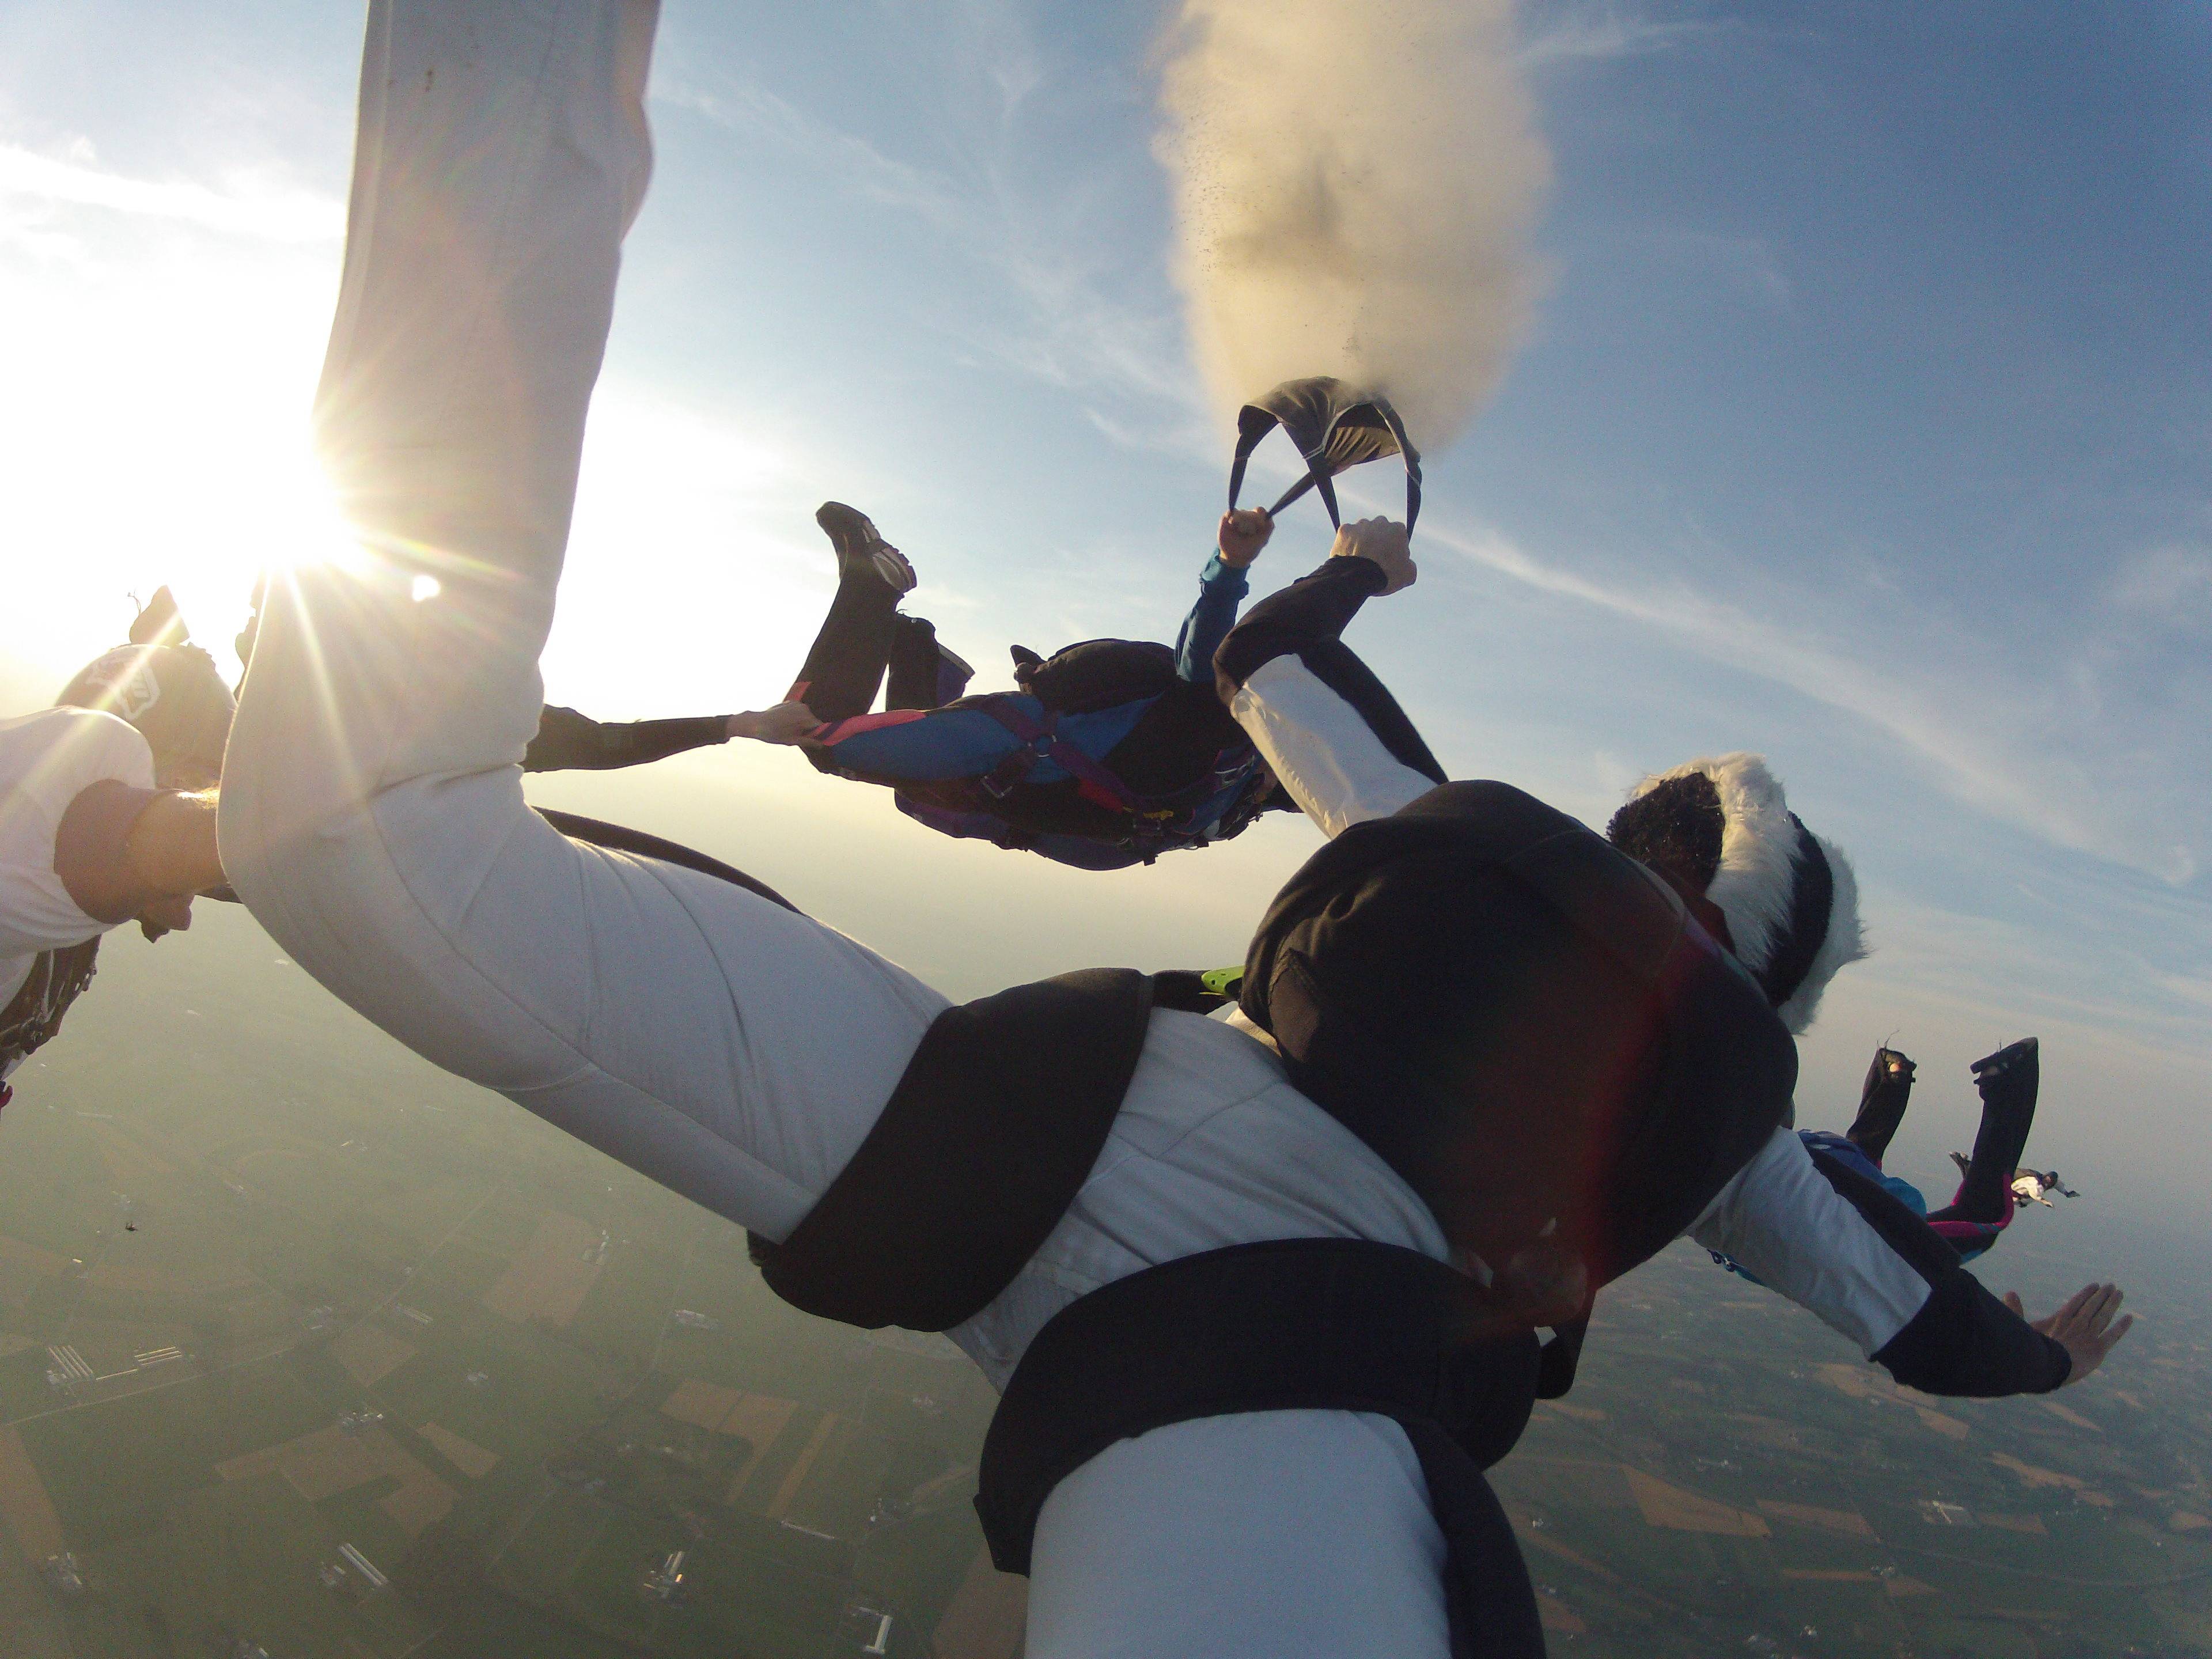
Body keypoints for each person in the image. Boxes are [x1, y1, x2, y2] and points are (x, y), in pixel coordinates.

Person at [216, 9, 2130, 1656]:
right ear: (1771, 961)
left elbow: (1266, 672)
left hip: (1071, 1123)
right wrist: (2036, 1354)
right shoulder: (1712, 1094)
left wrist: (1354, 557)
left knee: (355, 847)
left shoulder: (1476, 849)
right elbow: (1896, 1311)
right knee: (368, 854)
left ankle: (516, 86)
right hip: (1248, 1335)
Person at [721, 497, 1291, 869]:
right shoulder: (1220, 729)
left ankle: (915, 646)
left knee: (909, 790)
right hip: (1008, 751)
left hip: (1006, 800)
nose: (1280, 771)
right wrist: (1229, 566)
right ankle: (875, 585)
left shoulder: (1257, 786)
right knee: (822, 739)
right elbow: (1202, 660)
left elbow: (1364, 797)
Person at [2, 595, 231, 1105]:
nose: (183, 920)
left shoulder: (39, 921)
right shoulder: (26, 842)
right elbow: (86, 831)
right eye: (200, 790)